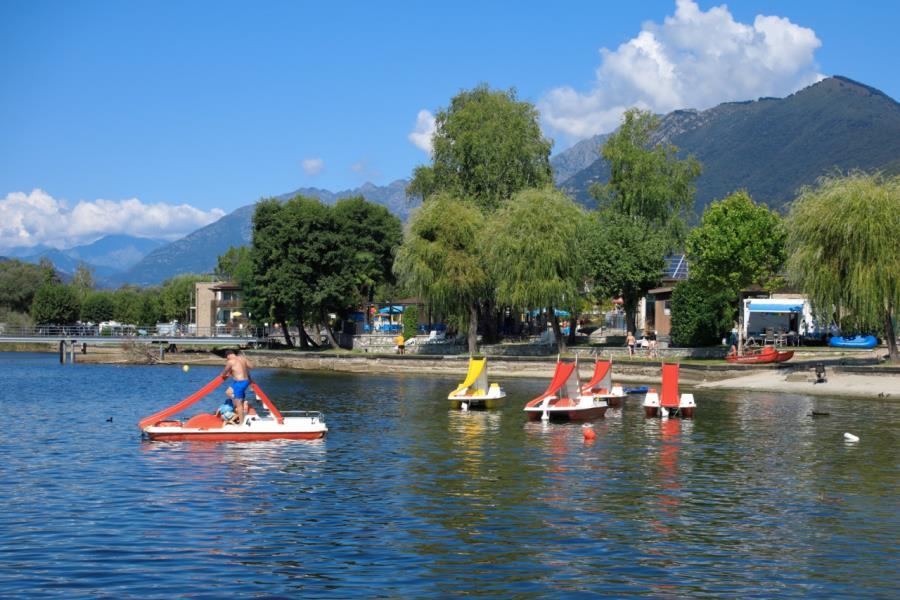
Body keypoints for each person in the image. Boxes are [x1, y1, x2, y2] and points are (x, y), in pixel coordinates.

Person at [220, 349, 252, 424]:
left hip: (240, 383)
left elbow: (224, 373)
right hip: (244, 382)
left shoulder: (230, 362)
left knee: (238, 405)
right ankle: (242, 402)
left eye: (226, 357)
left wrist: (225, 374)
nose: (227, 359)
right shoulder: (242, 358)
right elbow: (251, 366)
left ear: (229, 355)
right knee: (228, 392)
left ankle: (241, 424)